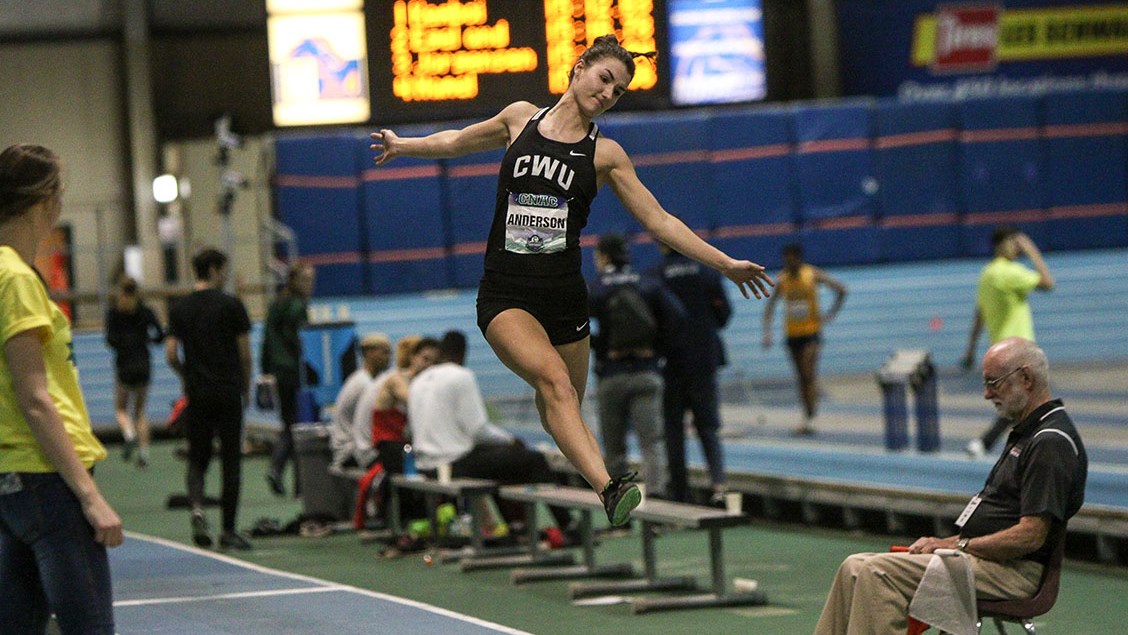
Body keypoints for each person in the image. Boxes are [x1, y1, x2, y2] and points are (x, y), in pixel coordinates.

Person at [370, 35, 774, 526]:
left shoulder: (606, 155)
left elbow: (660, 221)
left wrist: (725, 263)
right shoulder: (520, 119)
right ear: (579, 68)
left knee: (562, 404)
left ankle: (588, 465)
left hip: (564, 298)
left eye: (618, 91)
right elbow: (456, 141)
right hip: (506, 294)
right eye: (604, 79)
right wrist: (402, 145)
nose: (607, 94)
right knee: (556, 383)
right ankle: (609, 487)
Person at [814, 337, 1087, 635]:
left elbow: (1030, 536)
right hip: (983, 559)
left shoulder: (1049, 442)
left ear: (1025, 378)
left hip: (1013, 572)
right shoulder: (1029, 432)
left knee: (876, 573)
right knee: (853, 567)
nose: (987, 394)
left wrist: (956, 545)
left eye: (993, 382)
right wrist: (954, 544)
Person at [0, 143, 123, 634]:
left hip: (11, 479)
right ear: (44, 200)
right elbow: (35, 397)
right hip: (47, 477)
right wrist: (89, 495)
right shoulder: (15, 279)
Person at [408, 331, 574, 535]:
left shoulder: (417, 381)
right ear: (462, 354)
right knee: (534, 460)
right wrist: (511, 440)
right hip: (453, 463)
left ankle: (517, 526)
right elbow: (478, 430)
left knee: (500, 461)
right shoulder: (460, 375)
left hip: (426, 466)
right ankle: (569, 526)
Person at [165, 248, 253, 551]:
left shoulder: (179, 308)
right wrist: (246, 387)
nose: (226, 275)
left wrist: (186, 375)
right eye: (224, 269)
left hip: (198, 392)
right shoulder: (232, 305)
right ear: (214, 270)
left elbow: (171, 354)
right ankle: (228, 530)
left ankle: (197, 507)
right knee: (231, 461)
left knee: (197, 458)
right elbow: (244, 354)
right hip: (228, 391)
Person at [588, 234, 685, 500]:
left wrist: (601, 347)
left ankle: (618, 503)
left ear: (604, 256)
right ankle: (657, 497)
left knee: (614, 448)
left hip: (612, 374)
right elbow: (677, 316)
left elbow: (573, 324)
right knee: (652, 442)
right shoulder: (647, 282)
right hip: (646, 371)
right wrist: (657, 349)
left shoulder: (597, 287)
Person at [961, 226, 1055, 458]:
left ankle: (1004, 447)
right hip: (1019, 350)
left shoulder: (986, 274)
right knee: (1028, 401)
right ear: (999, 246)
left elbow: (979, 315)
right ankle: (986, 444)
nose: (1016, 248)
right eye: (1012, 242)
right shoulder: (1010, 272)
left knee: (1023, 402)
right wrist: (1032, 250)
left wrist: (970, 350)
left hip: (999, 350)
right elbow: (1048, 283)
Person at [649, 241, 732, 504]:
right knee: (708, 426)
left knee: (673, 428)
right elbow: (724, 314)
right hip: (704, 359)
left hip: (670, 362)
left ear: (663, 245)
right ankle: (718, 486)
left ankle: (680, 491)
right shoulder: (707, 272)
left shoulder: (655, 276)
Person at [761, 243, 846, 436]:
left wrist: (831, 314)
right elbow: (770, 306)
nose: (789, 263)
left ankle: (811, 416)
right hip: (792, 334)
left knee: (808, 374)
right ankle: (807, 415)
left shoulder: (812, 274)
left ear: (799, 258)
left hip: (811, 333)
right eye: (786, 260)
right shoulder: (782, 279)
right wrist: (767, 332)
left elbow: (841, 289)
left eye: (792, 260)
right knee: (801, 377)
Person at [262, 262, 315, 497]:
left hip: (279, 371)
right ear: (293, 281)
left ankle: (286, 474)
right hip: (295, 372)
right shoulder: (297, 307)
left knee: (289, 422)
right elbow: (299, 340)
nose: (310, 284)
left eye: (312, 279)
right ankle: (289, 475)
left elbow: (267, 339)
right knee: (299, 425)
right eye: (305, 279)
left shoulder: (276, 304)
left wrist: (266, 368)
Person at [104, 274, 165, 469]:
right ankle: (144, 454)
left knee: (121, 409)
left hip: (124, 364)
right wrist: (147, 340)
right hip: (143, 363)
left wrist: (123, 343)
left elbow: (110, 340)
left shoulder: (114, 313)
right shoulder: (146, 311)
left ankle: (129, 434)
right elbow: (160, 335)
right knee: (140, 411)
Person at [328, 332, 392, 470]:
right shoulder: (363, 384)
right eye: (384, 352)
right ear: (369, 353)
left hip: (351, 447)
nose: (389, 357)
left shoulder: (364, 379)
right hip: (348, 452)